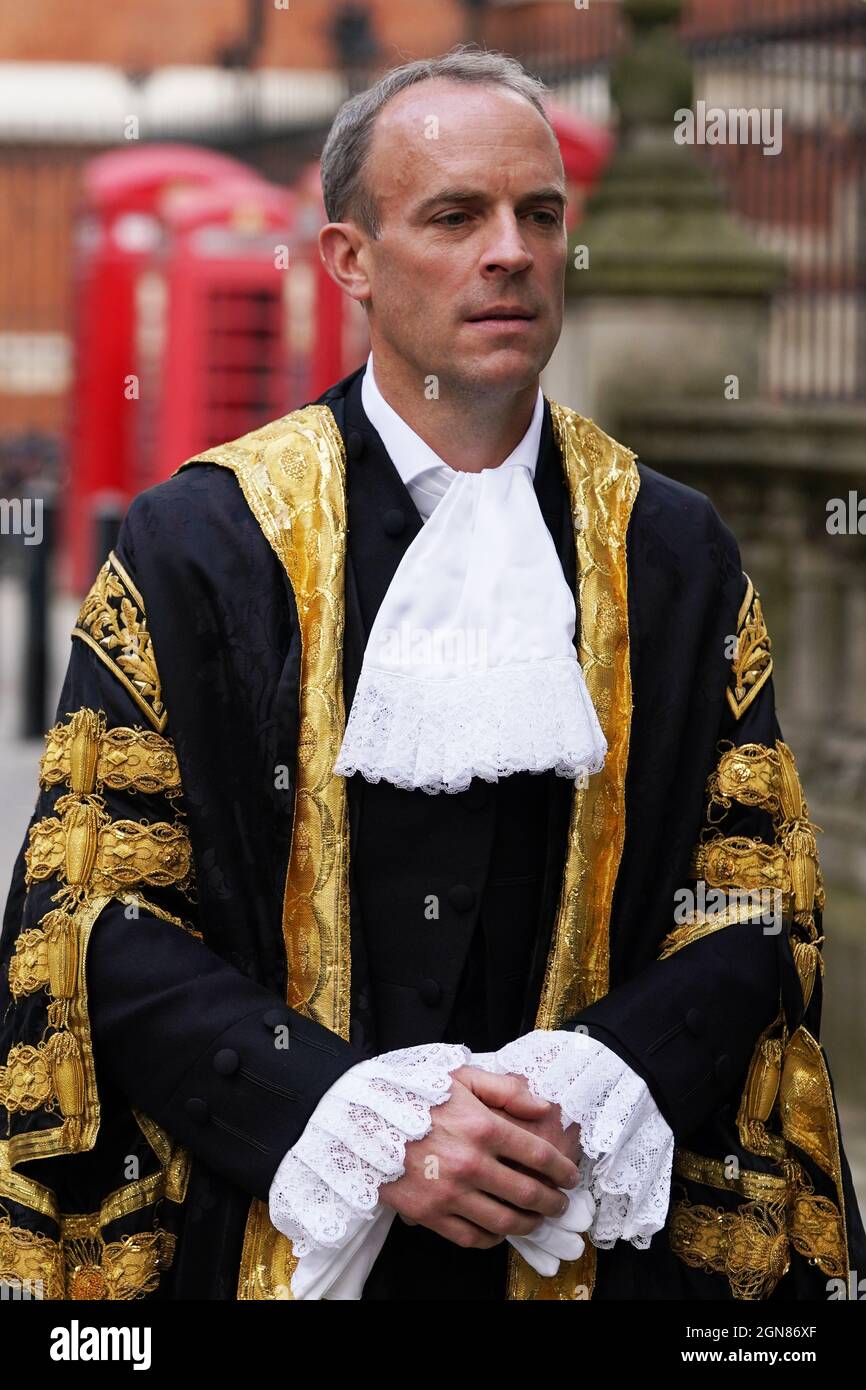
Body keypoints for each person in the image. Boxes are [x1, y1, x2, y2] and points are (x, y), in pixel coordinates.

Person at [1, 46, 864, 1304]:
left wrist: (593, 1086)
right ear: (350, 259)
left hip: (589, 1235)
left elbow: (754, 894)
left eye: (538, 214)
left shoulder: (669, 546)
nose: (509, 250)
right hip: (280, 1229)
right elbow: (94, 918)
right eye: (455, 216)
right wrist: (354, 1114)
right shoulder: (203, 542)